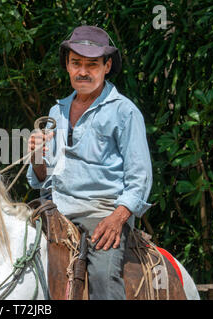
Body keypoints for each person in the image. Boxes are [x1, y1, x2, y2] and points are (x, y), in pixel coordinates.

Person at [26, 25, 153, 300]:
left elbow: (139, 178)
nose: (82, 71)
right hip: (55, 210)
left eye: (91, 64)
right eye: (76, 63)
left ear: (107, 66)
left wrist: (118, 218)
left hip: (101, 212)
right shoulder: (56, 111)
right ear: (68, 67)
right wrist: (36, 156)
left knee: (102, 280)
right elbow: (43, 177)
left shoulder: (124, 111)